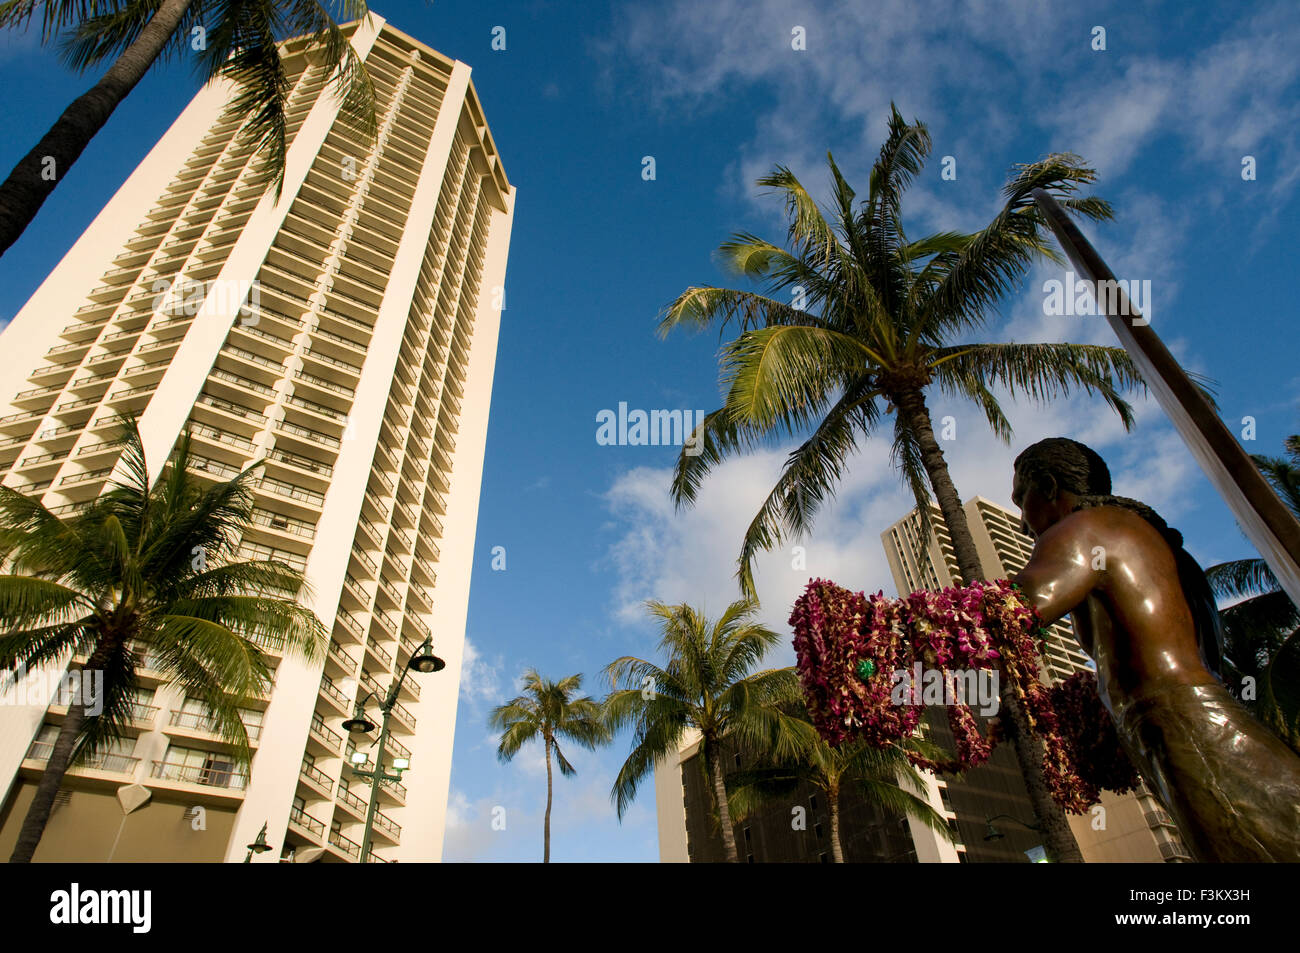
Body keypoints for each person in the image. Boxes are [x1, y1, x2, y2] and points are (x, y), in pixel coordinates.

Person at [1009, 437, 1300, 862]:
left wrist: (888, 635)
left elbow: (1014, 608)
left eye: (1023, 499)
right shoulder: (1141, 537)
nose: (1022, 522)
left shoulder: (1086, 528)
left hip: (1191, 733)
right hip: (1192, 727)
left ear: (1050, 487)